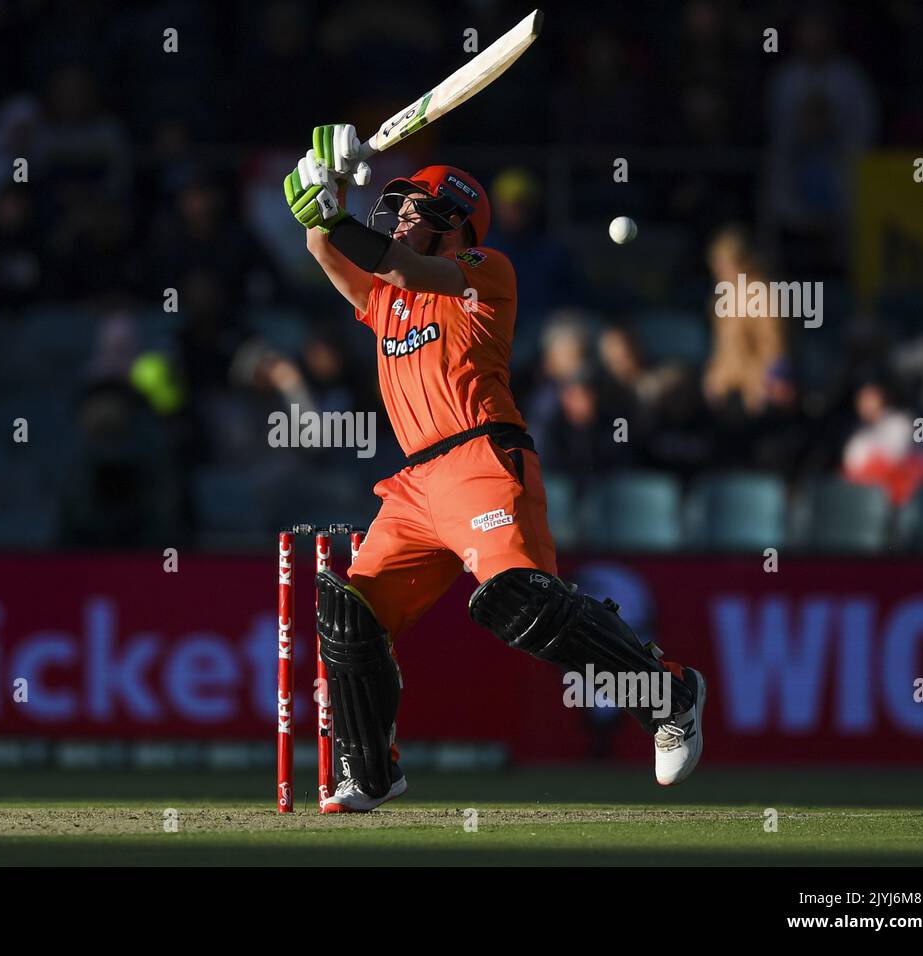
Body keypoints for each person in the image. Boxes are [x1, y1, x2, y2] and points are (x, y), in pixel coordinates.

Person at [284, 125, 707, 811]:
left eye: (417, 207)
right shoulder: (384, 300)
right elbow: (327, 251)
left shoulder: (484, 272)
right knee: (348, 609)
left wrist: (331, 212)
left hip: (483, 456)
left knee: (521, 601)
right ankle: (369, 770)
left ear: (455, 222)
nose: (401, 216)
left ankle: (669, 694)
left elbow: (401, 266)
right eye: (399, 206)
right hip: (414, 486)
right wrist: (318, 192)